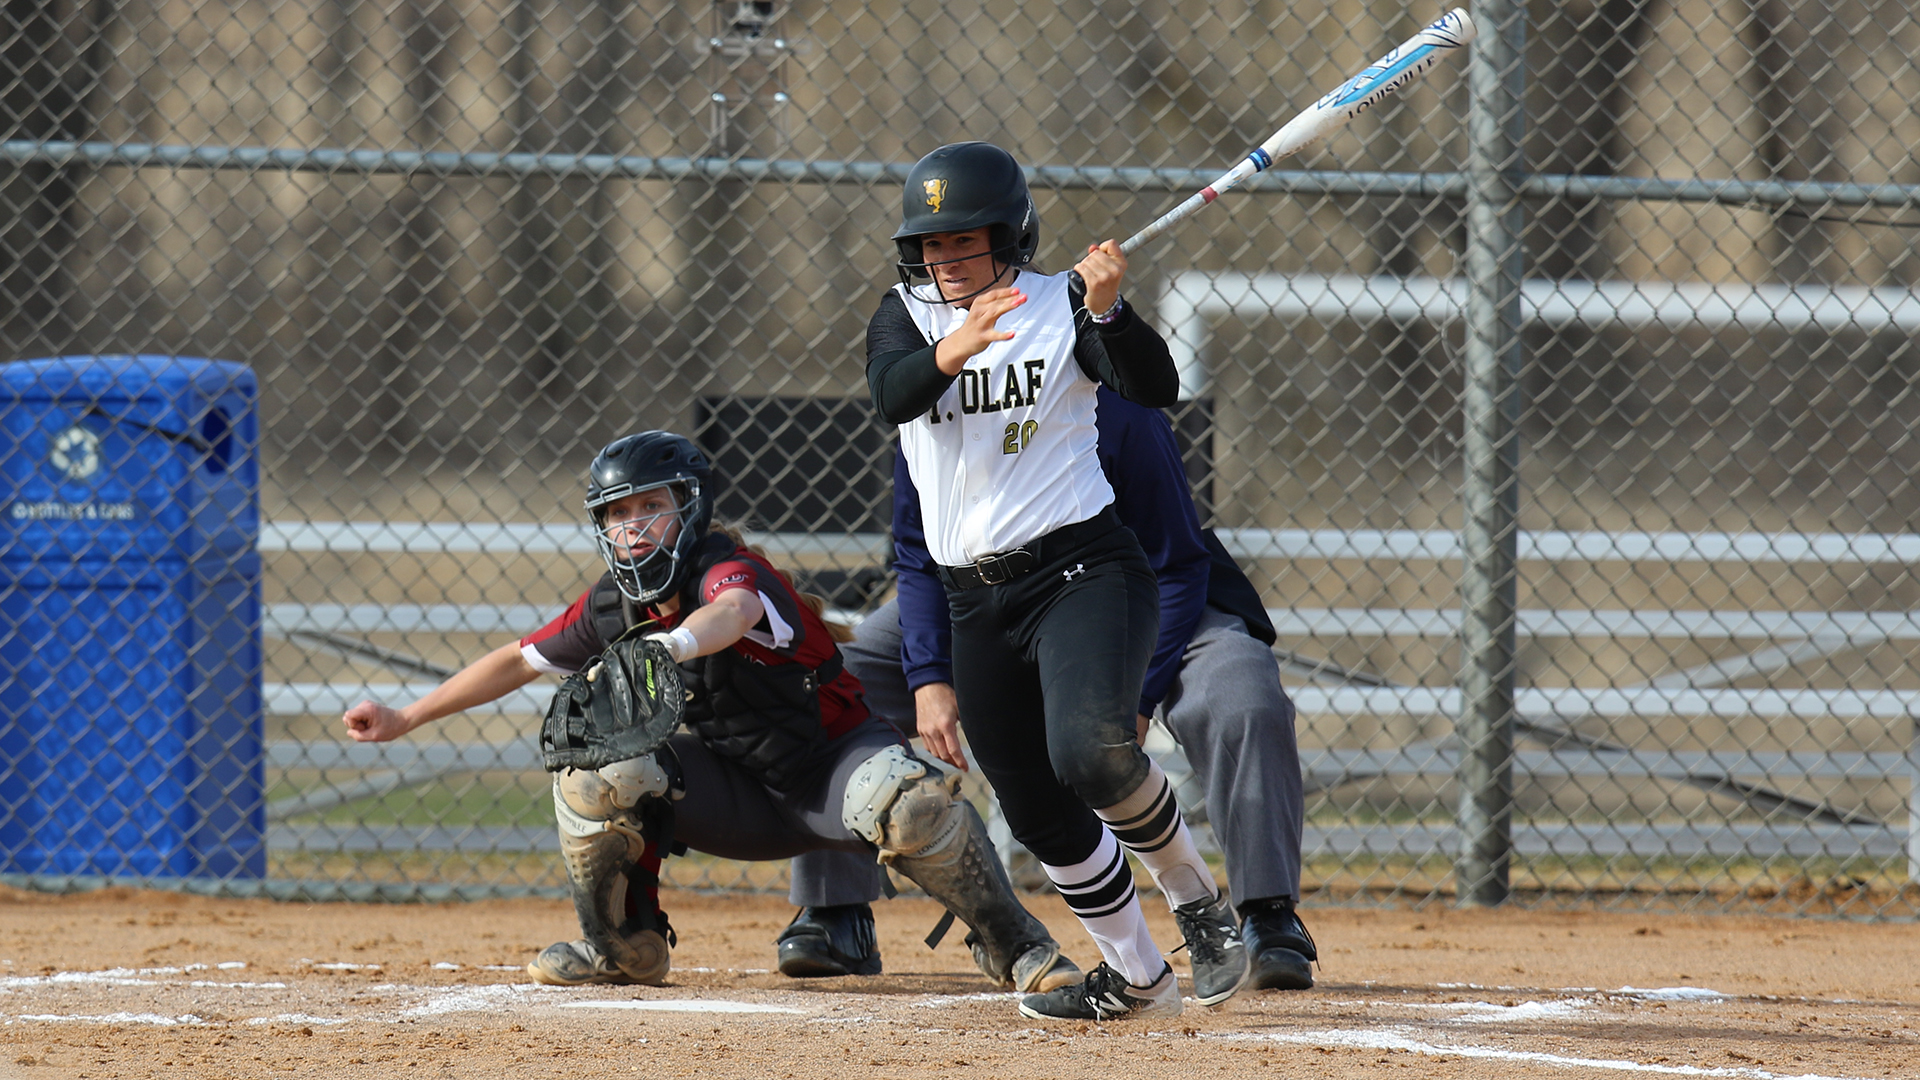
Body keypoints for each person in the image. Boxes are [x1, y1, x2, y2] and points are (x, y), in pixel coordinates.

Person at [341, 430, 1081, 996]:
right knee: (594, 775)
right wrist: (406, 716)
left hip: (829, 776)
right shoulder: (615, 598)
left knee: (911, 801)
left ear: (689, 509)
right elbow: (518, 659)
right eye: (618, 514)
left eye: (651, 508)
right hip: (736, 796)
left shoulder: (730, 569)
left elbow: (731, 612)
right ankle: (623, 948)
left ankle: (1013, 943)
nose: (633, 528)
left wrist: (674, 644)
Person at [863, 140, 1247, 1021]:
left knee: (1090, 755)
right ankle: (1142, 979)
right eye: (932, 244)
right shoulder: (902, 316)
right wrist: (958, 344)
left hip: (1080, 570)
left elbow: (1156, 386)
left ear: (1012, 236)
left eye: (966, 241)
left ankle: (1198, 899)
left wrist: (1109, 313)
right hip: (974, 599)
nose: (944, 259)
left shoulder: (1064, 304)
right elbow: (893, 395)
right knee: (1036, 809)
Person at [790, 384, 1319, 990]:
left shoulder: (1113, 405)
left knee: (1240, 696)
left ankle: (1267, 916)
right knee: (837, 682)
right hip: (984, 598)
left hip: (1151, 591)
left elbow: (1177, 565)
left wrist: (1136, 696)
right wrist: (929, 674)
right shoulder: (933, 401)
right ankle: (835, 912)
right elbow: (918, 556)